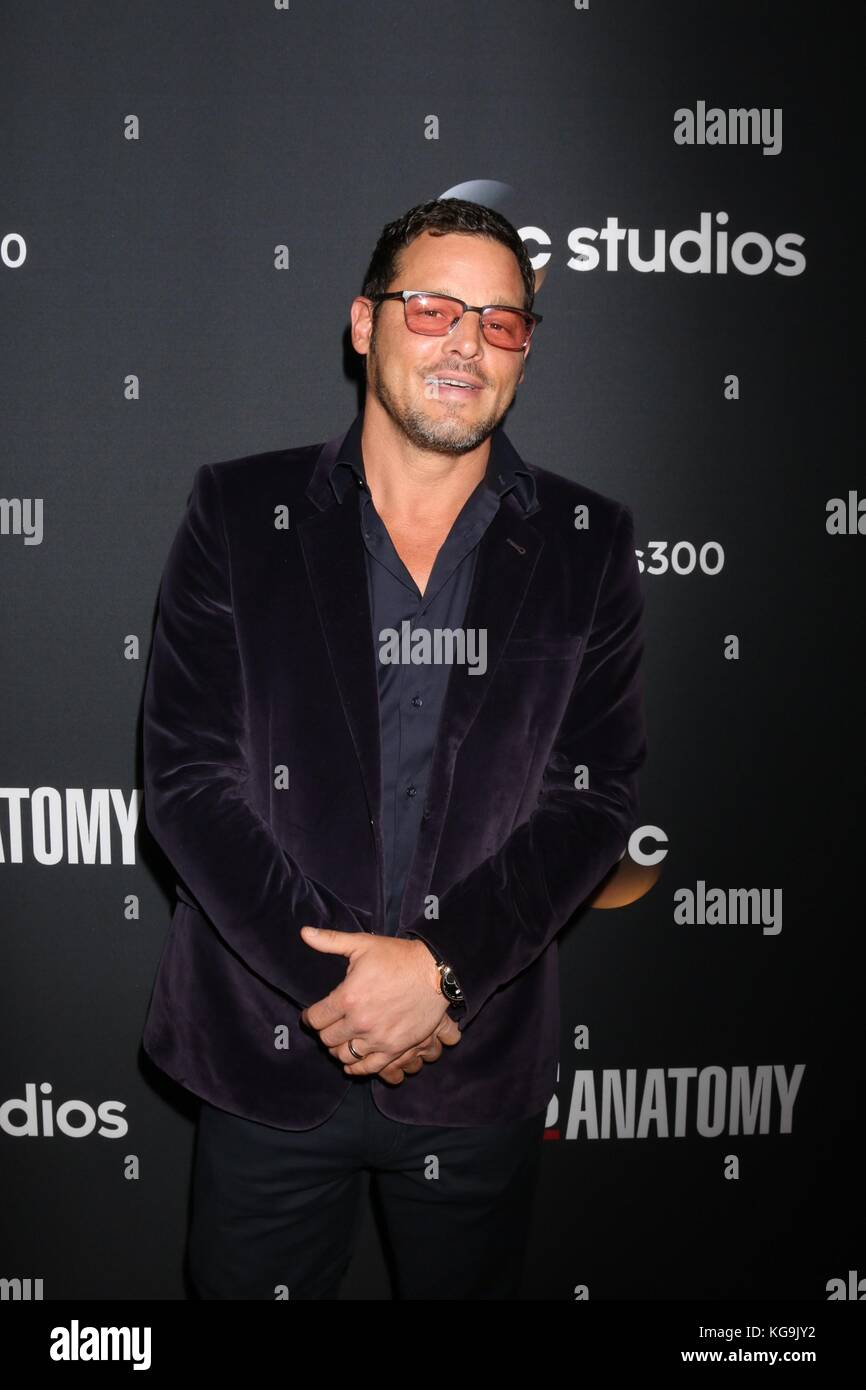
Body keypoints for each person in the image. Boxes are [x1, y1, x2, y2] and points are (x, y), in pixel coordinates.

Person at [141, 196, 648, 1300]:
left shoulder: (586, 542)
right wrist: (358, 991)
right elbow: (185, 780)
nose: (465, 340)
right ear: (363, 324)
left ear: (521, 350)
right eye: (432, 308)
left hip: (474, 1073)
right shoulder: (239, 511)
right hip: (264, 1054)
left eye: (500, 321)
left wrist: (439, 974)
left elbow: (592, 797)